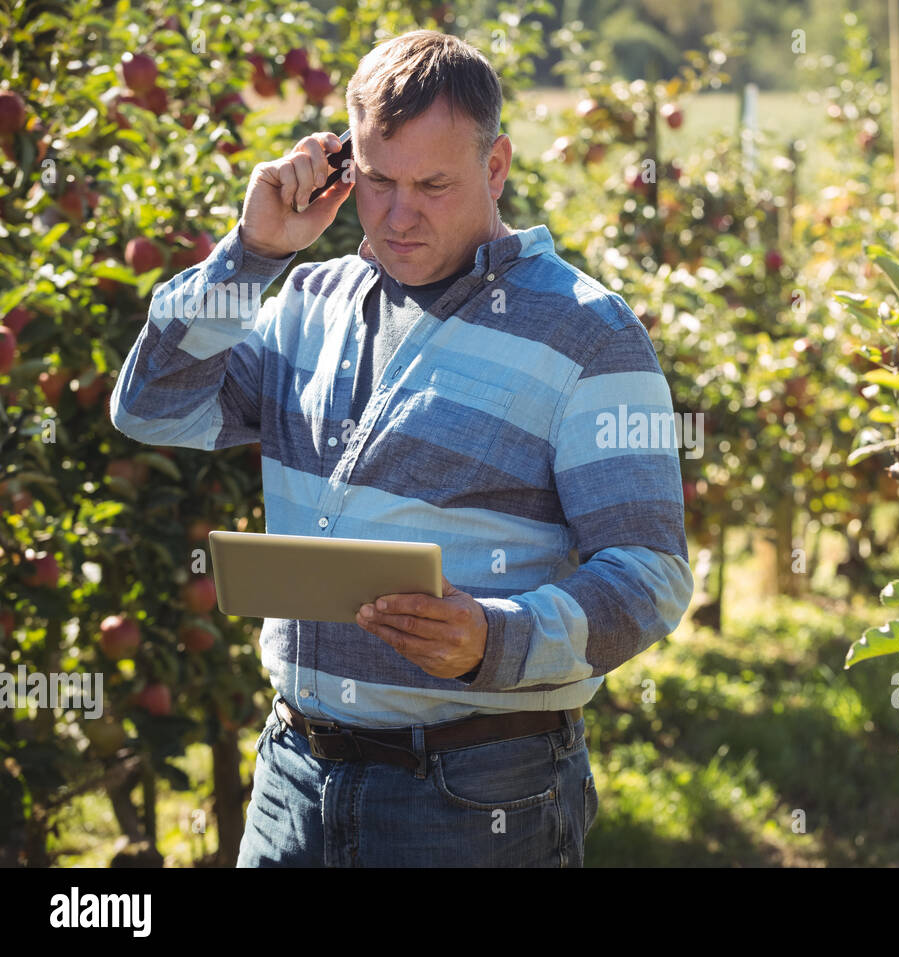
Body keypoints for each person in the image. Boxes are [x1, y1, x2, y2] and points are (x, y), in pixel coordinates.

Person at [109, 29, 693, 867]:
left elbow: (649, 571)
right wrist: (253, 253)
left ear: (496, 170)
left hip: (474, 794)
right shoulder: (305, 300)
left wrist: (497, 638)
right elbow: (153, 407)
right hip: (294, 776)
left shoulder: (586, 333)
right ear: (344, 168)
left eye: (432, 184)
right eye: (377, 181)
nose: (397, 213)